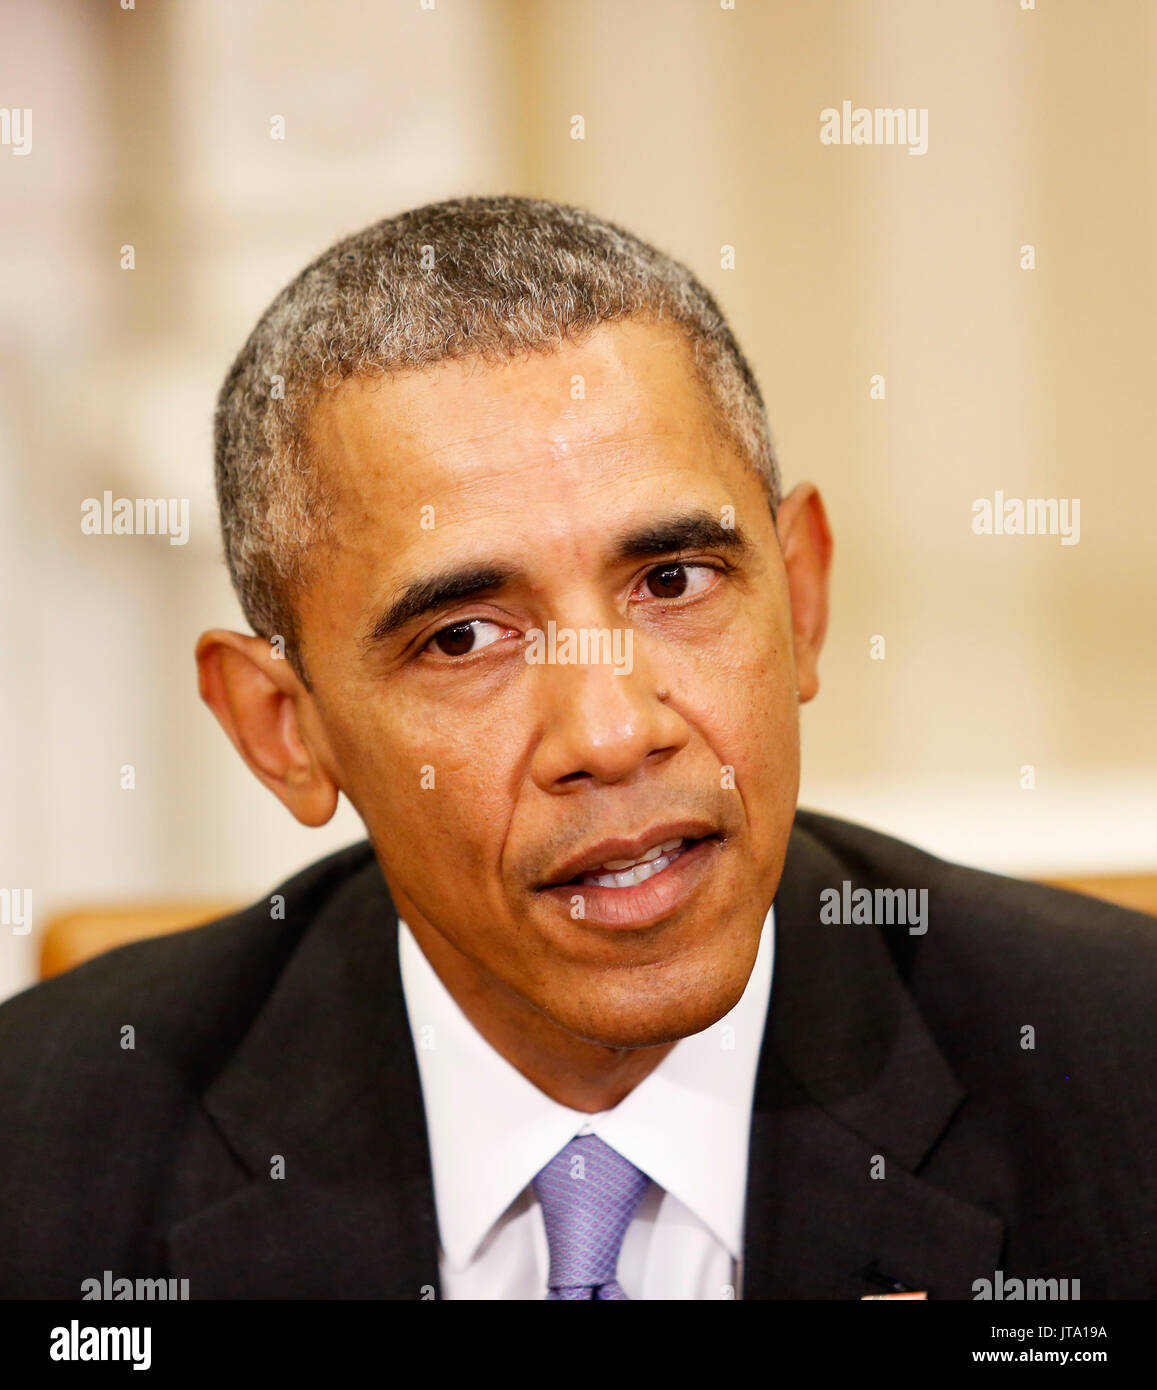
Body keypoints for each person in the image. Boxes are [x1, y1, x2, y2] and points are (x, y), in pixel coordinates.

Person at [1, 196, 1154, 1300]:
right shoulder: (41, 1157)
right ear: (283, 728)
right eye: (461, 637)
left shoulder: (1121, 1081)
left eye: (672, 580)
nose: (610, 733)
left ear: (799, 596)